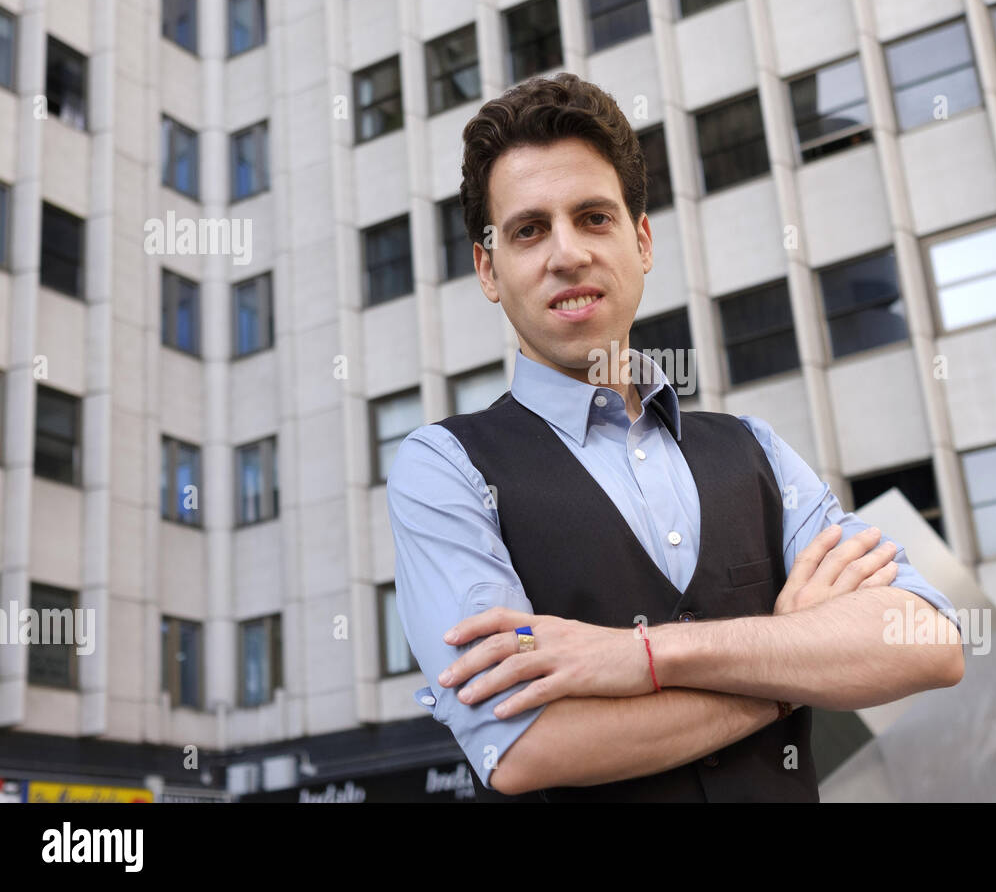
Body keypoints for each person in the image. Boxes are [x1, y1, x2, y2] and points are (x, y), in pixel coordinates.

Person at [386, 73, 964, 802]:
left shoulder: (753, 449)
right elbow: (526, 746)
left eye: (593, 217)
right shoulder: (446, 469)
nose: (566, 253)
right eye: (530, 229)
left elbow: (930, 643)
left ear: (643, 239)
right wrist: (784, 671)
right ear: (487, 268)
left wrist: (642, 656)